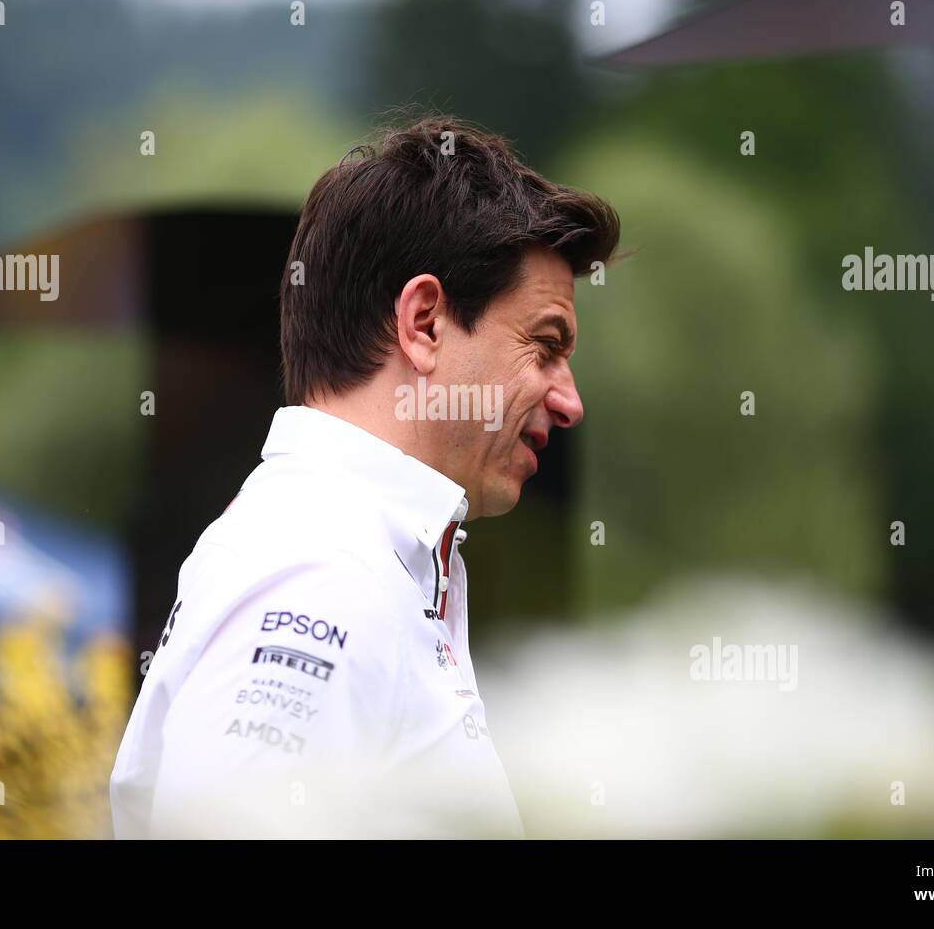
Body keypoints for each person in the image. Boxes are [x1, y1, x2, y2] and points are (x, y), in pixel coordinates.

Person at [109, 113, 620, 838]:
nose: (569, 401)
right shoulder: (321, 570)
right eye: (544, 346)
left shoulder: (357, 553)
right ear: (424, 323)